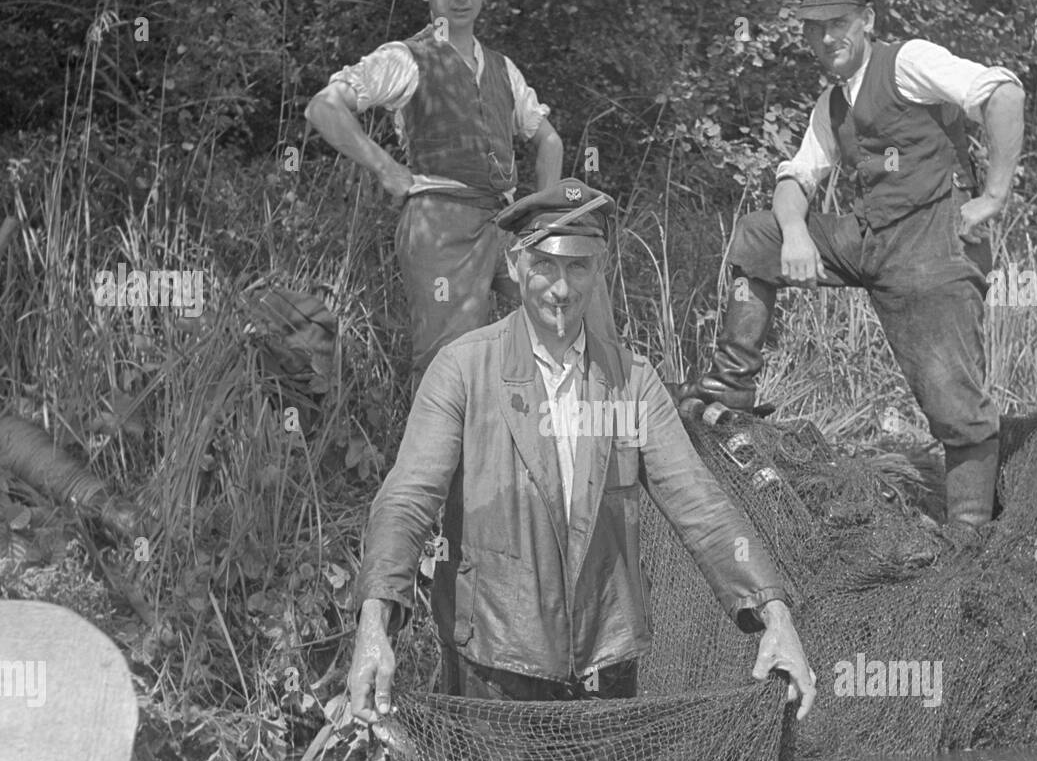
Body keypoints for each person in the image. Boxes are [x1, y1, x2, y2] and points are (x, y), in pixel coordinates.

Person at [346, 179, 816, 720]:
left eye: (579, 267)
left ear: (599, 271)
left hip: (606, 664)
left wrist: (773, 613)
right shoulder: (462, 369)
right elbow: (407, 499)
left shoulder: (632, 382)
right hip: (493, 662)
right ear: (517, 265)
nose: (561, 289)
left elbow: (702, 509)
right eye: (546, 265)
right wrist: (375, 623)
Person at [680, 0, 1026, 531]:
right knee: (759, 234)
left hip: (932, 243)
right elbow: (796, 177)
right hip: (869, 239)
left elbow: (1003, 91)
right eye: (814, 30)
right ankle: (729, 389)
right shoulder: (831, 104)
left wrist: (994, 196)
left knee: (955, 406)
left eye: (837, 24)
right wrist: (794, 233)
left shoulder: (908, 61)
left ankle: (969, 535)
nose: (825, 39)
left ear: (866, 21)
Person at [306, 0, 564, 384]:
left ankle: (561, 439)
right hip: (440, 225)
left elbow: (549, 141)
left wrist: (543, 221)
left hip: (506, 225)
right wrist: (386, 168)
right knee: (449, 365)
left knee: (569, 309)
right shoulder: (406, 58)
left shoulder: (503, 68)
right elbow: (324, 108)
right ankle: (434, 456)